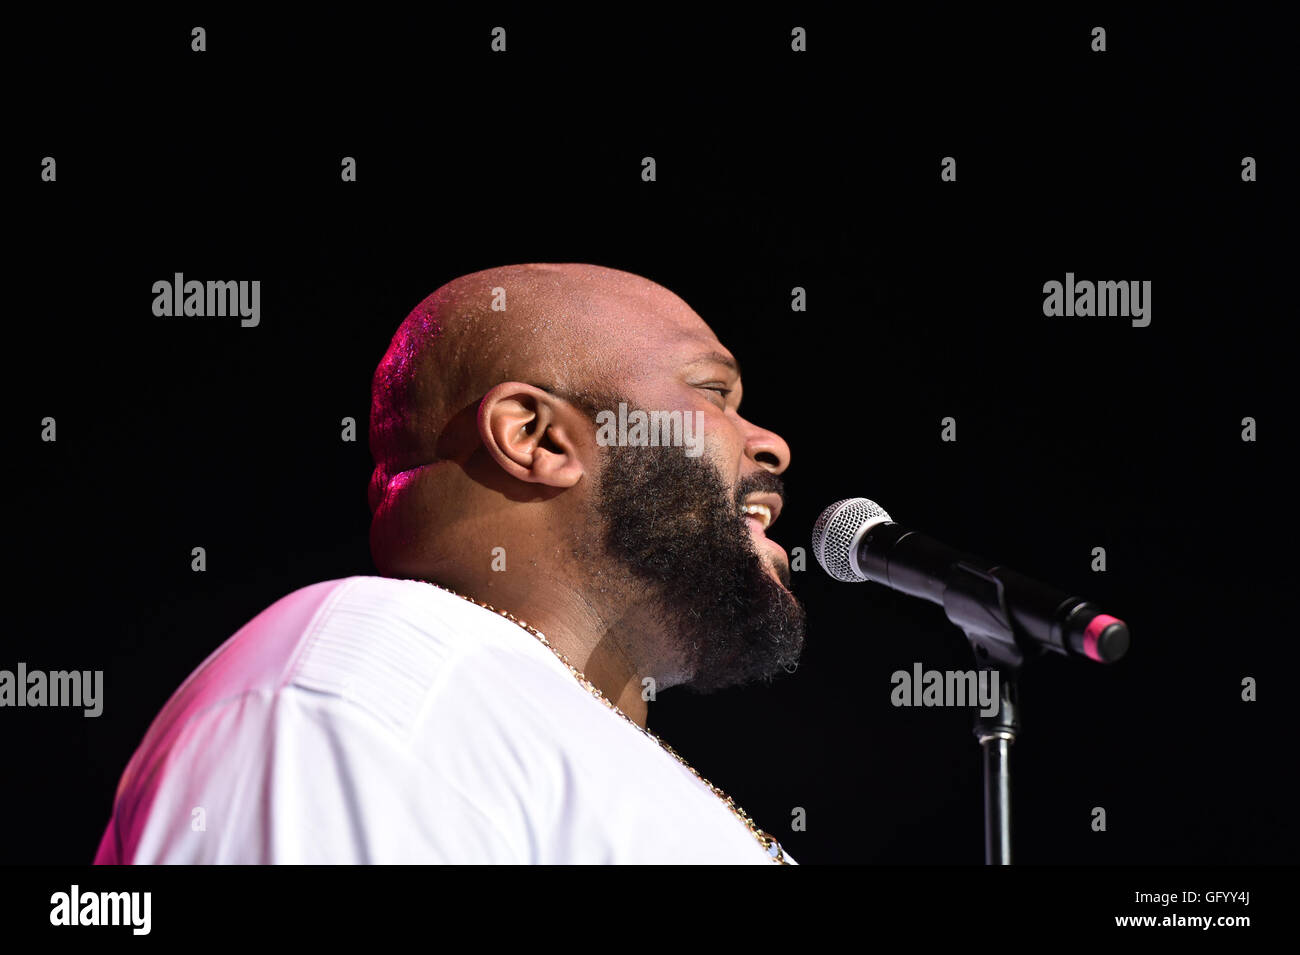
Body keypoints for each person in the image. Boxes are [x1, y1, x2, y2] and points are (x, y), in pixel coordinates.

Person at [93, 263, 806, 864]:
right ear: (537, 437)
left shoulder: (506, 717)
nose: (771, 443)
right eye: (713, 393)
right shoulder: (373, 683)